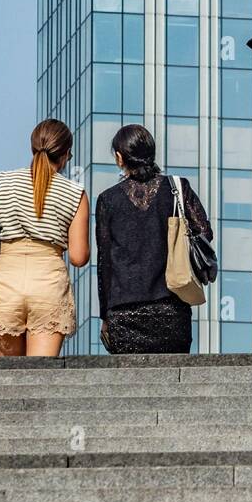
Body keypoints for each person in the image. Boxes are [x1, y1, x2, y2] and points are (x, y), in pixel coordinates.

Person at [0, 118, 89, 357]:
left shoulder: (2, 182)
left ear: (32, 148)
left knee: (6, 377)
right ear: (65, 154)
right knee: (40, 377)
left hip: (6, 284)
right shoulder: (75, 194)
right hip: (48, 285)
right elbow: (77, 257)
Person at [94, 124, 212, 354]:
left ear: (120, 158)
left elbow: (104, 263)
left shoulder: (107, 200)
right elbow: (205, 233)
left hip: (123, 311)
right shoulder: (177, 188)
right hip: (171, 306)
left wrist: (105, 315)